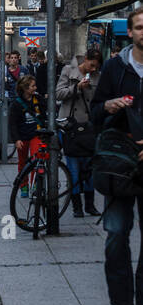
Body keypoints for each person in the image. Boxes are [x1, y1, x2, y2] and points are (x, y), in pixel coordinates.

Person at [91, 6, 143, 305]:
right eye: (139, 27)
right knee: (115, 237)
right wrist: (108, 106)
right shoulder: (114, 67)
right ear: (131, 32)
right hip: (121, 167)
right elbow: (95, 111)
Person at [57, 49, 102, 217]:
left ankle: (90, 205)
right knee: (74, 168)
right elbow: (58, 93)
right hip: (70, 127)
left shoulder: (98, 76)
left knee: (89, 168)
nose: (93, 69)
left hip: (88, 127)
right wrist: (76, 87)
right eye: (91, 65)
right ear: (85, 60)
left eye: (96, 67)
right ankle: (77, 206)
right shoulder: (68, 71)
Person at [8, 75, 44, 195]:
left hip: (35, 134)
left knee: (35, 159)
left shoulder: (38, 99)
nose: (35, 88)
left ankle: (34, 184)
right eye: (33, 86)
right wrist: (16, 139)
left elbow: (44, 114)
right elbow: (12, 123)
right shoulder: (16, 104)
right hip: (22, 136)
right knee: (22, 162)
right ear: (25, 88)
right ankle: (23, 185)